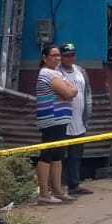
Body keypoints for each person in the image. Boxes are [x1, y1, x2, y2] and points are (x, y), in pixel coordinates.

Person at [34, 45, 77, 205]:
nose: (57, 58)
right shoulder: (46, 73)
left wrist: (68, 92)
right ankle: (44, 192)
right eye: (53, 55)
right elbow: (68, 92)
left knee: (58, 154)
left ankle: (58, 190)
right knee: (47, 154)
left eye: (58, 55)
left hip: (61, 119)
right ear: (45, 58)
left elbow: (74, 91)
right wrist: (67, 92)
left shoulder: (57, 73)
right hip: (51, 118)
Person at [60, 43, 94, 197]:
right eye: (66, 55)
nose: (69, 58)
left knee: (76, 156)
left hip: (79, 120)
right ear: (61, 56)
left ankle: (74, 185)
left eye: (72, 55)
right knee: (58, 156)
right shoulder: (56, 73)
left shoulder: (80, 71)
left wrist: (88, 111)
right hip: (62, 121)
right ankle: (57, 187)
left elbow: (87, 93)